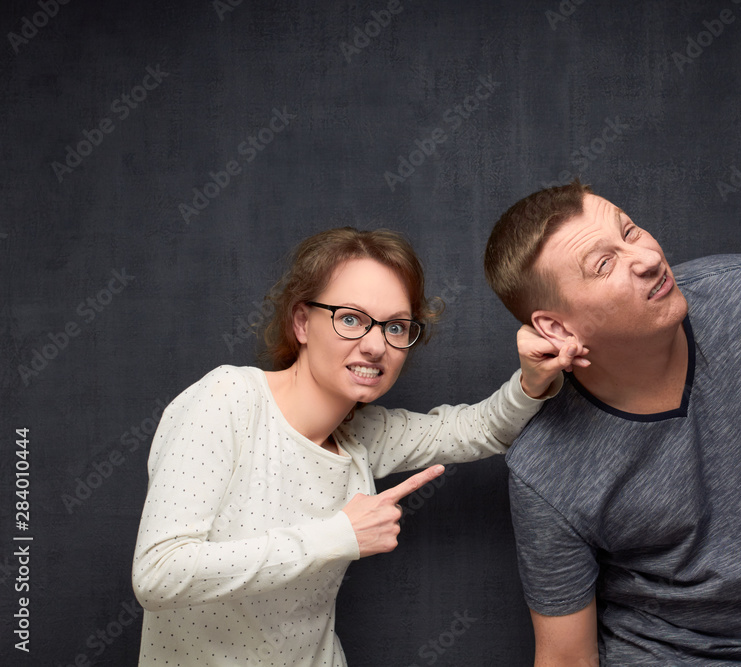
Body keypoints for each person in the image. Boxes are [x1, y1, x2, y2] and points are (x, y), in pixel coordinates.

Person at [483, 181, 741, 666]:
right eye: (604, 264)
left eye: (630, 230)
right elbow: (566, 658)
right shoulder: (544, 470)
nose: (645, 257)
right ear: (556, 329)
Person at [132, 227, 583, 666]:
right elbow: (158, 573)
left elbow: (480, 429)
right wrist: (337, 536)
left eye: (396, 327)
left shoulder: (362, 435)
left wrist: (533, 378)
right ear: (302, 322)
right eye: (351, 319)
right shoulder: (227, 399)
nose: (375, 346)